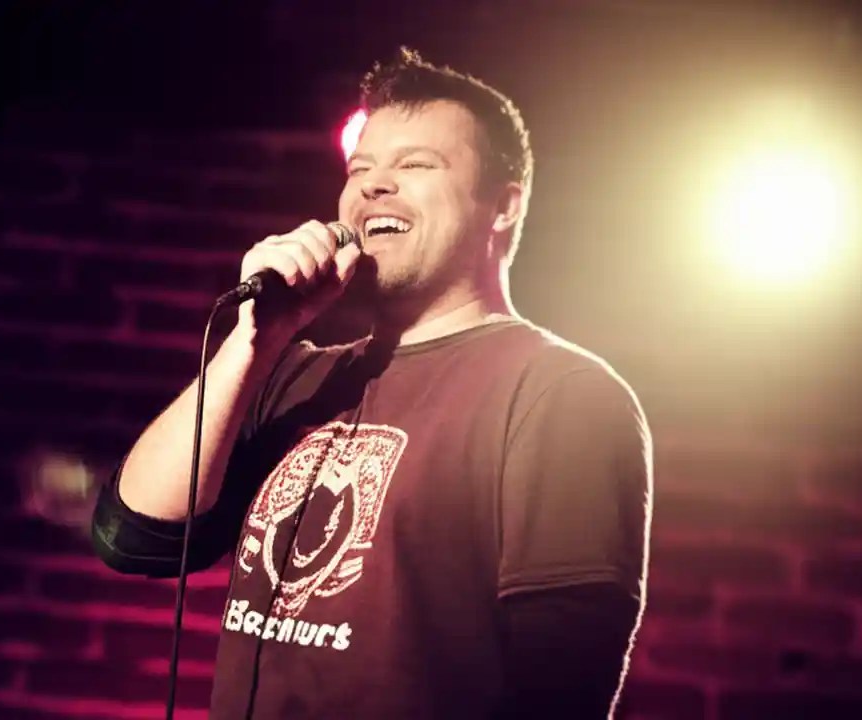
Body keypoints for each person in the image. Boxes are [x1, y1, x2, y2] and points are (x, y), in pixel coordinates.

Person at [91, 46, 653, 719]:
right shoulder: (294, 373)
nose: (373, 187)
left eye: (415, 165)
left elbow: (561, 689)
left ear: (502, 207)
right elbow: (135, 539)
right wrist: (253, 341)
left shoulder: (559, 392)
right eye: (361, 169)